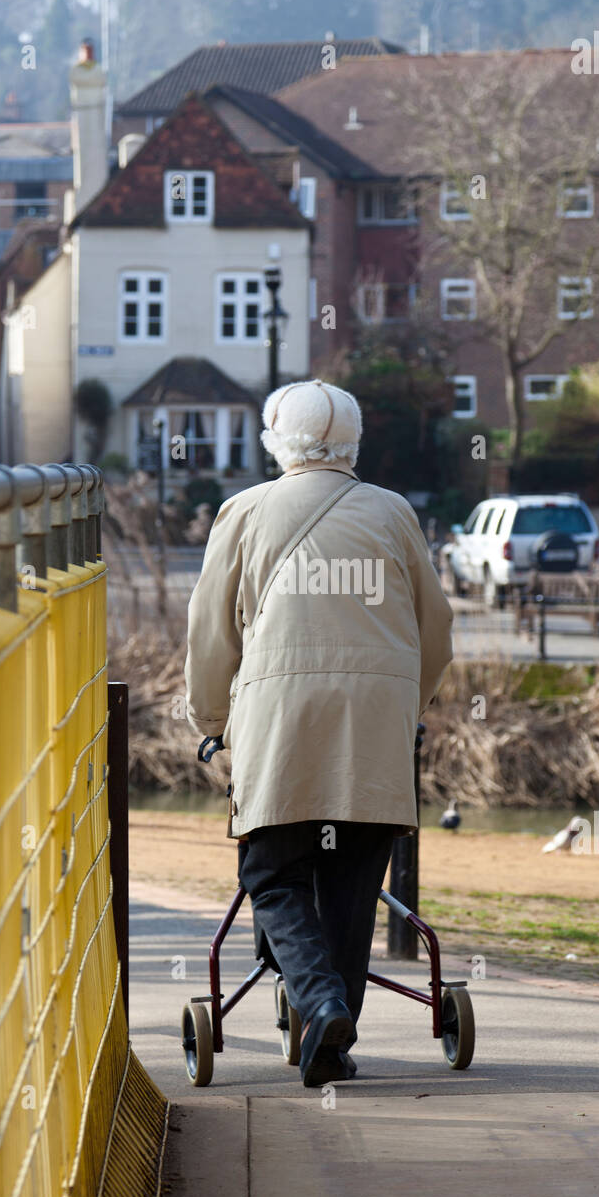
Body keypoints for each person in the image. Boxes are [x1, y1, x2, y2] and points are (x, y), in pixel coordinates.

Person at [184, 379, 453, 1086]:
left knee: (272, 872)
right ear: (353, 443)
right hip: (375, 726)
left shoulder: (243, 511)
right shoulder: (393, 513)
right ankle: (330, 1046)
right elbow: (436, 629)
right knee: (352, 883)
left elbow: (211, 635)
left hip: (280, 723)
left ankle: (321, 999)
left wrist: (212, 723)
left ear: (277, 441)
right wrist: (409, 705)